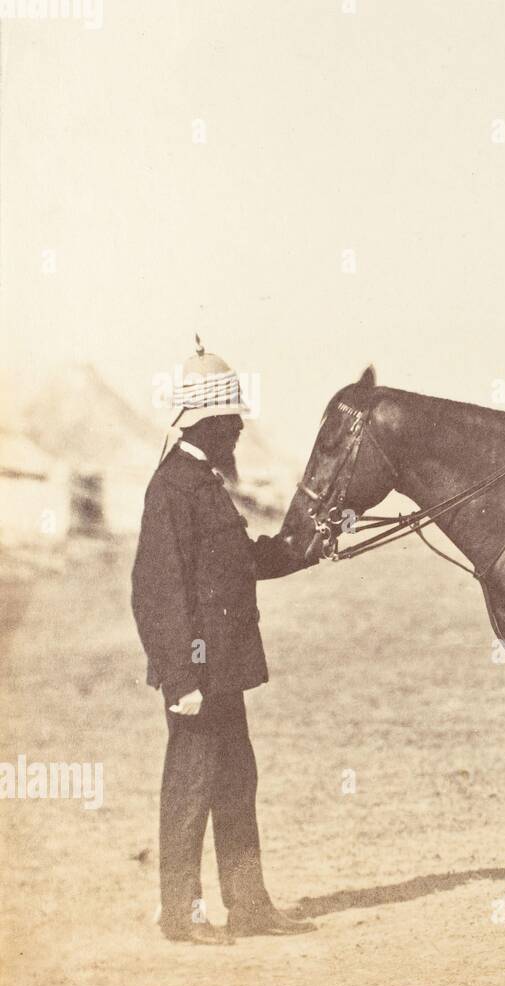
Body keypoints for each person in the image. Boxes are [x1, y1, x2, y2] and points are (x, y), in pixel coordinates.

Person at [131, 340, 315, 944]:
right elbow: (156, 594)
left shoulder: (204, 483)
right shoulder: (173, 489)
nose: (238, 430)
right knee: (192, 786)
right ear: (206, 424)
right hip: (197, 677)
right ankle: (180, 916)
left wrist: (302, 549)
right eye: (230, 421)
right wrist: (180, 679)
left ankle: (250, 904)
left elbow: (237, 564)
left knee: (236, 782)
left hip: (224, 673)